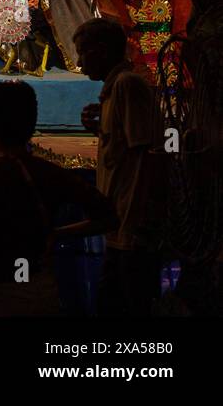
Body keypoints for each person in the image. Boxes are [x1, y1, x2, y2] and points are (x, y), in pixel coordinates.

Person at [0, 79, 117, 316]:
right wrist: (57, 233)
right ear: (32, 125)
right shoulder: (49, 173)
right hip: (40, 287)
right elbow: (109, 217)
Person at [76, 17, 165, 316]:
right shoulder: (114, 90)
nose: (79, 62)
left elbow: (147, 154)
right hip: (119, 227)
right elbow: (124, 150)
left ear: (101, 51)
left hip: (130, 229)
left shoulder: (128, 85)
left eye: (82, 53)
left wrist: (136, 221)